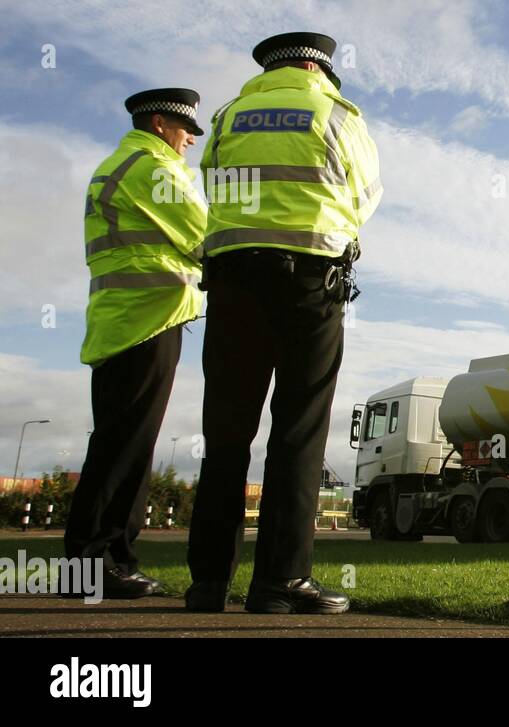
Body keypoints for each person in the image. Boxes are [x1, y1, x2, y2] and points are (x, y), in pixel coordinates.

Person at [185, 32, 382, 614]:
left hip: (230, 279)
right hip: (309, 281)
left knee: (225, 433)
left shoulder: (227, 117)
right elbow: (366, 194)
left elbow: (213, 184)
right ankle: (279, 581)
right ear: (318, 68)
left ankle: (206, 584)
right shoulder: (337, 114)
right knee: (298, 427)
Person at [66, 88, 207, 599]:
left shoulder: (121, 163)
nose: (191, 138)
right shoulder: (152, 169)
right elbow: (203, 237)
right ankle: (99, 564)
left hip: (125, 318)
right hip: (146, 319)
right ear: (157, 123)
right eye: (184, 128)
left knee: (118, 443)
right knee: (125, 446)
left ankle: (101, 563)